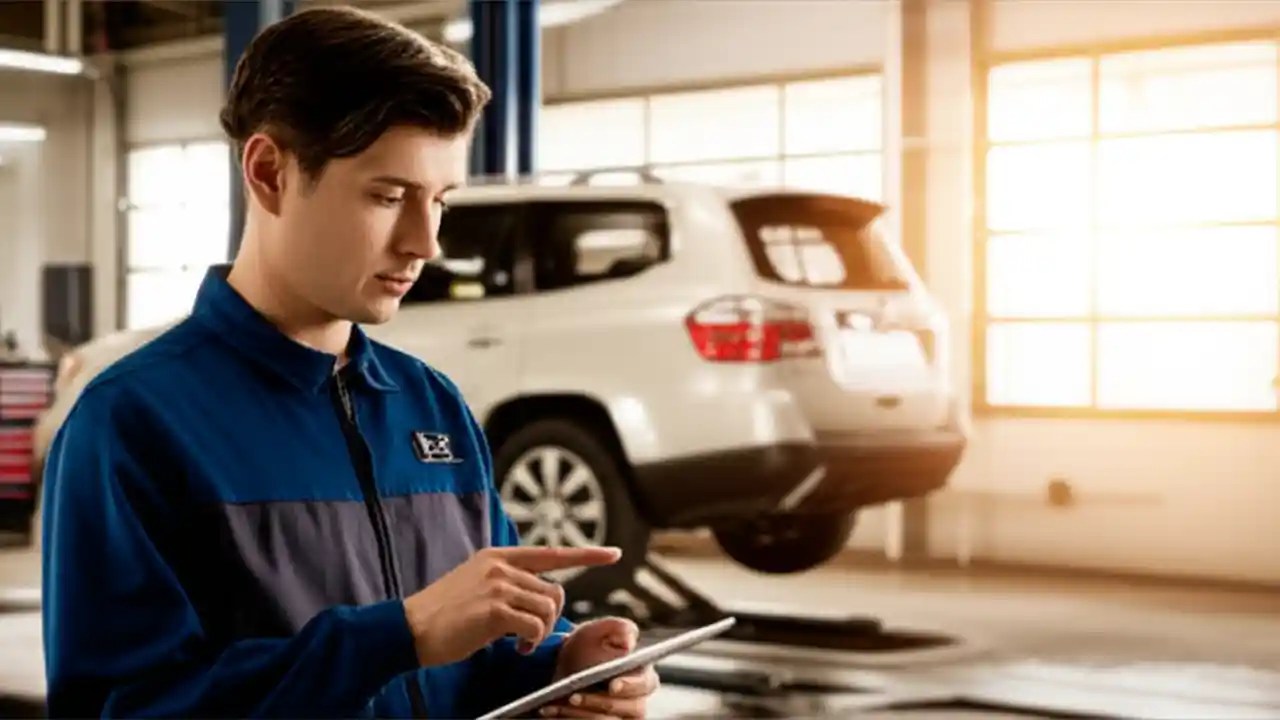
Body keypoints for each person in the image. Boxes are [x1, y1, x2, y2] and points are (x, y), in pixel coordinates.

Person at [40, 7, 659, 718]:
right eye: (389, 196)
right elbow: (127, 707)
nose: (426, 242)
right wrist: (402, 634)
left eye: (441, 201)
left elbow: (477, 647)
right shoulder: (132, 426)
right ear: (270, 171)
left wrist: (562, 666)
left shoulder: (432, 405)